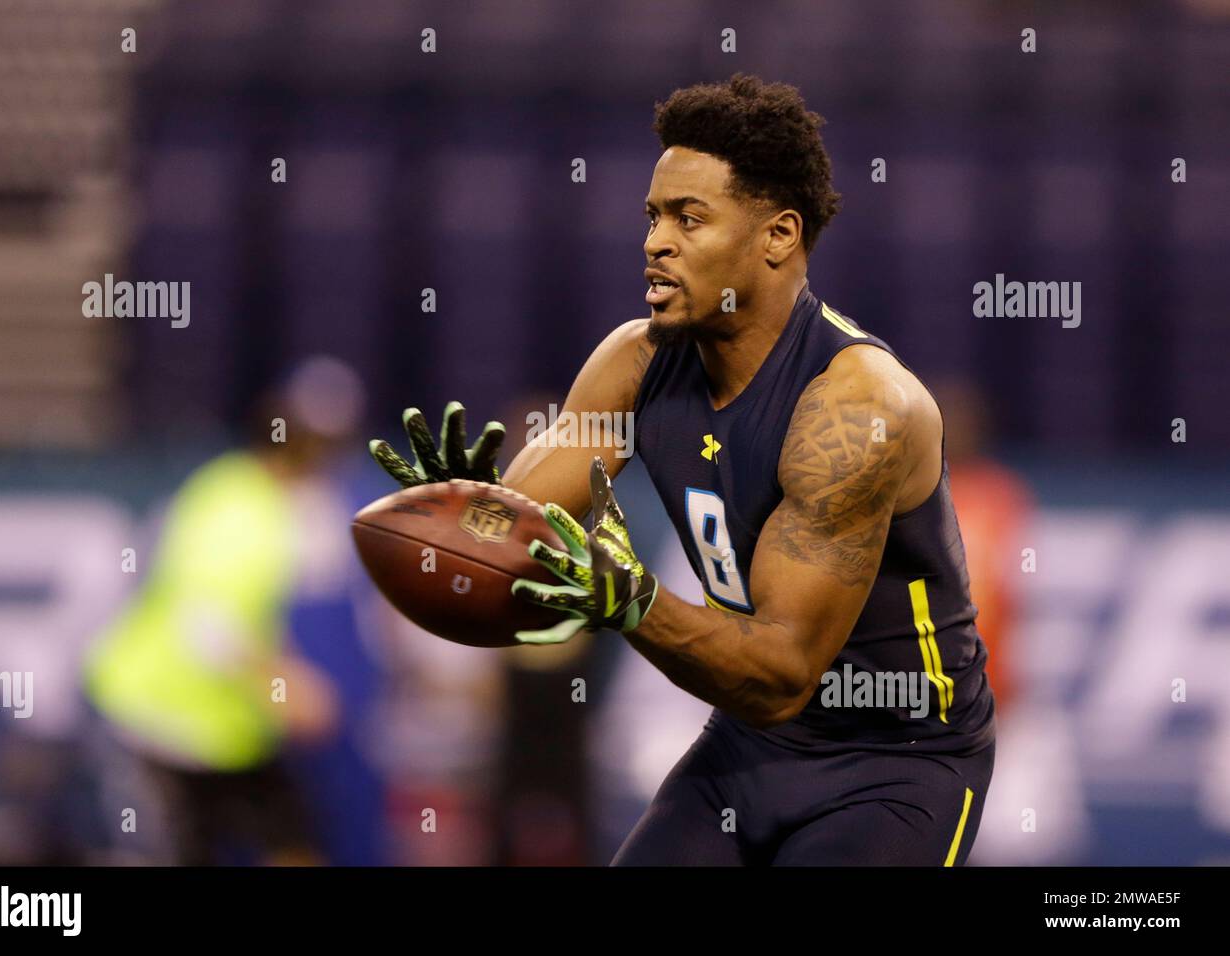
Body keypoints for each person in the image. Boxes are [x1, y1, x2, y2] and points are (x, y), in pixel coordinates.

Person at [368, 74, 995, 866]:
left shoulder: (859, 410)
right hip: (748, 748)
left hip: (896, 763)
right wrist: (464, 509)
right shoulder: (635, 362)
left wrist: (632, 603)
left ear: (777, 236)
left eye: (688, 219)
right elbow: (515, 540)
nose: (655, 241)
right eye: (653, 216)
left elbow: (781, 673)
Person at [85, 358, 354, 865]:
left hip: (229, 735)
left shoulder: (250, 495)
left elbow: (245, 619)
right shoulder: (239, 513)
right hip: (160, 726)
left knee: (295, 842)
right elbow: (206, 627)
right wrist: (287, 685)